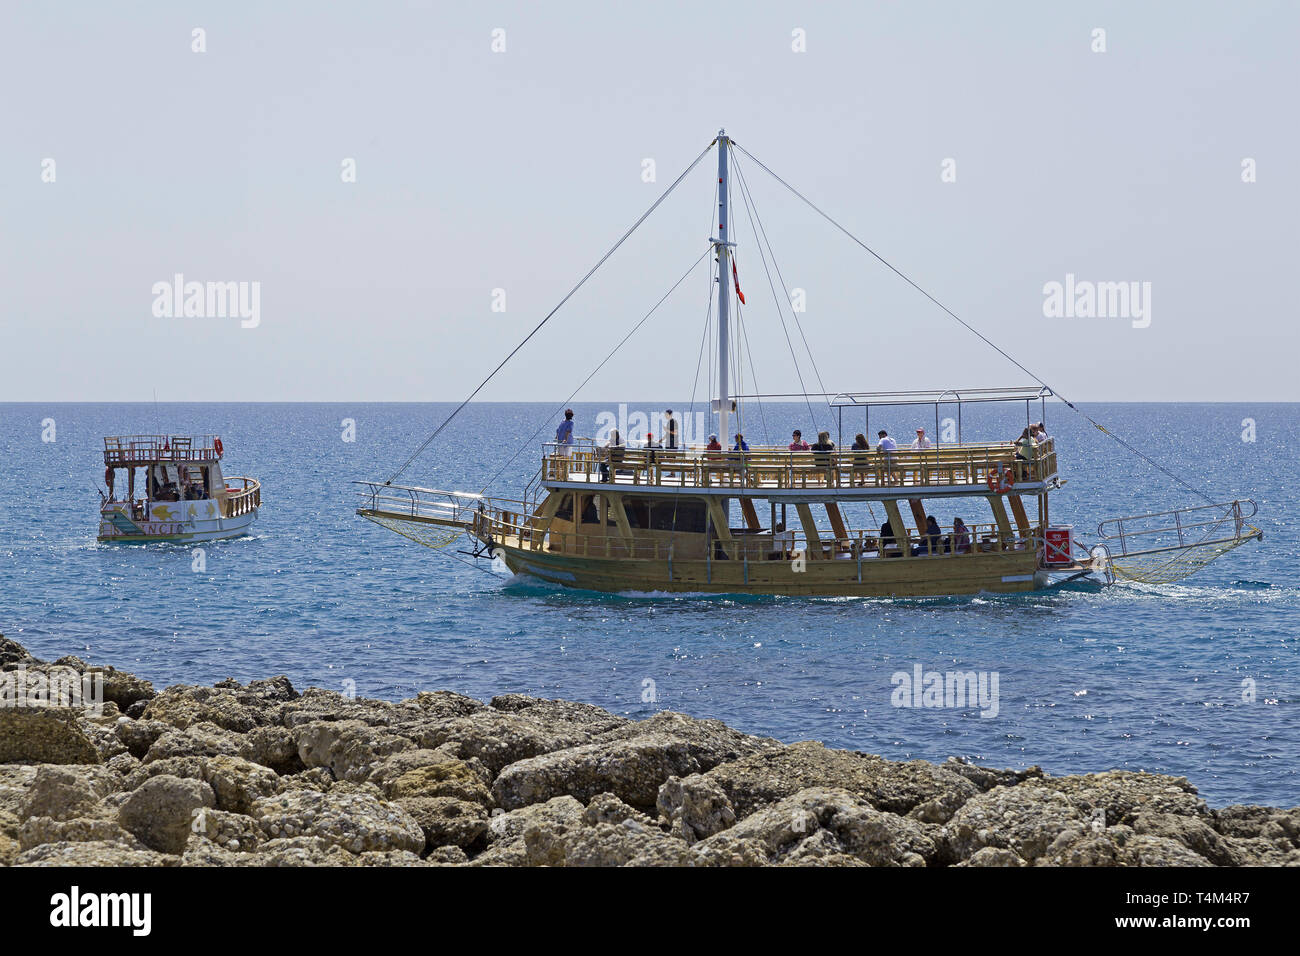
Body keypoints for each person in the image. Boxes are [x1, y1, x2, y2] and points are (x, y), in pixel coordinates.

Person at [555, 408, 576, 479]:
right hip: (567, 442)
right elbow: (568, 431)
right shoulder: (571, 423)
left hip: (560, 441)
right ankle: (565, 474)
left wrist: (557, 437)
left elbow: (558, 430)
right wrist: (565, 439)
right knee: (566, 458)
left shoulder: (562, 422)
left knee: (561, 457)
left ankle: (561, 474)